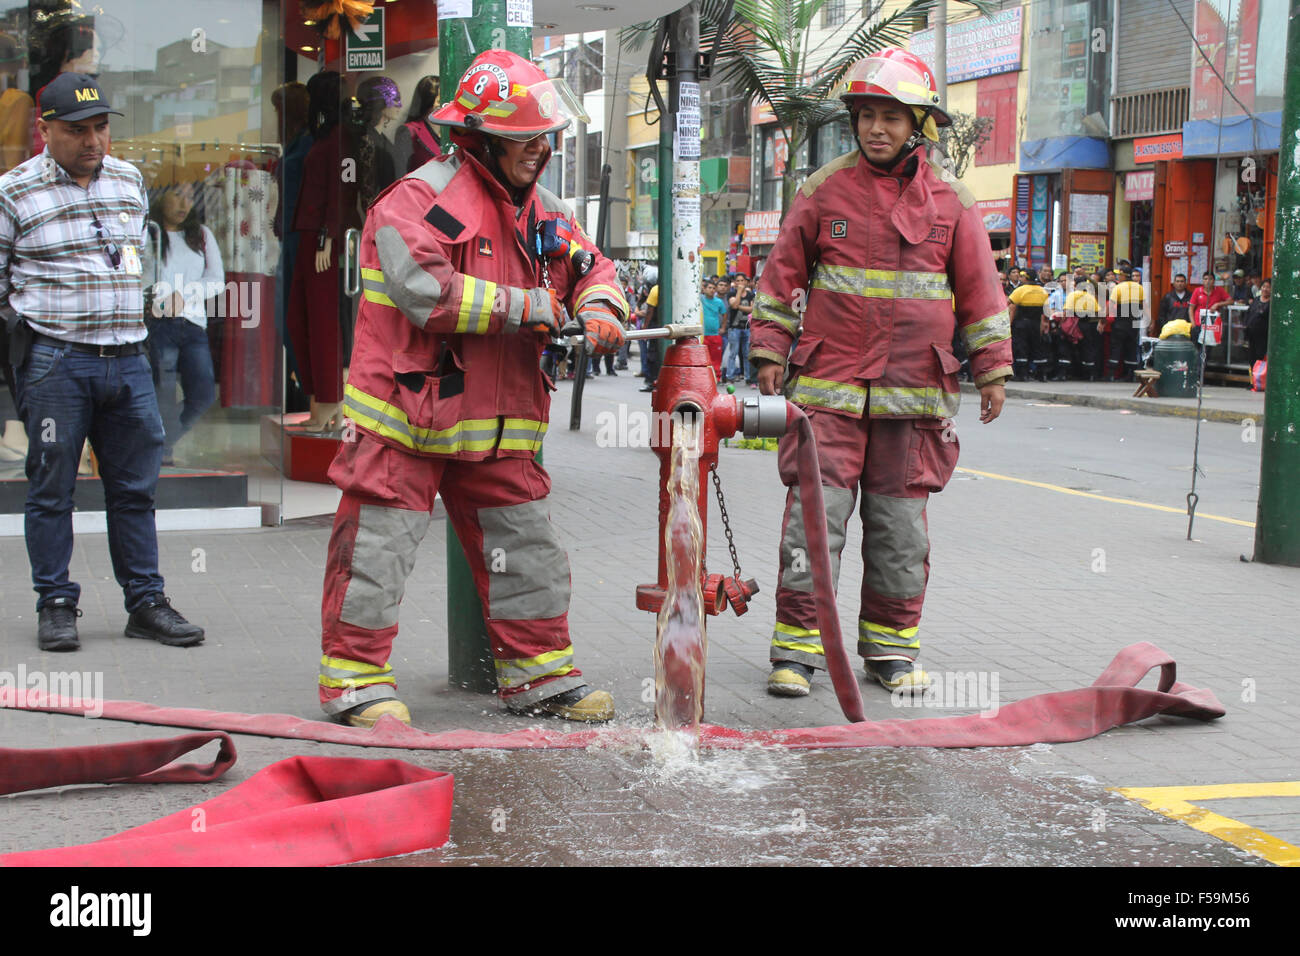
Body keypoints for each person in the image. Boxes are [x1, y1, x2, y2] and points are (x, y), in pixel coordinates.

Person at [317, 50, 629, 728]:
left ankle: (541, 679)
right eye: (525, 138)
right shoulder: (414, 202)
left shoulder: (545, 210)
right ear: (481, 138)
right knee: (376, 552)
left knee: (527, 555)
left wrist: (602, 305)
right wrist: (531, 307)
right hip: (406, 419)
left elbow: (591, 265)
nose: (540, 150)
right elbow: (428, 292)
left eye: (544, 137)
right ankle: (356, 684)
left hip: (499, 426)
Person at [748, 48, 1011, 697]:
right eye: (866, 116)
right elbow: (779, 279)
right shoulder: (822, 191)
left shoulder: (953, 203)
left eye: (891, 117)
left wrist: (994, 369)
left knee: (898, 533)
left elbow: (981, 292)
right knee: (814, 520)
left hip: (914, 400)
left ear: (918, 123)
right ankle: (797, 653)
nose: (876, 129)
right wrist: (767, 352)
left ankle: (890, 652)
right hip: (828, 397)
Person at [0, 73, 204, 652]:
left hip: (129, 359)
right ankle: (56, 605)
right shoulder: (13, 192)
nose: (92, 141)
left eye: (100, 128)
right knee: (51, 490)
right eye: (76, 130)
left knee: (136, 490)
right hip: (56, 362)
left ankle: (146, 603)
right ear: (45, 131)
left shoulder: (129, 180)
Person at [145, 182, 223, 465]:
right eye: (178, 195)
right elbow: (140, 275)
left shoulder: (201, 235)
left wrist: (185, 293)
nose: (184, 204)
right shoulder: (149, 233)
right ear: (160, 195)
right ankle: (160, 453)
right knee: (161, 394)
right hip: (158, 324)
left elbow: (216, 280)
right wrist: (157, 300)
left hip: (192, 324)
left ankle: (159, 443)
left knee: (202, 393)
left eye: (190, 197)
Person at [393, 75, 443, 174]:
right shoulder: (409, 132)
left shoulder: (451, 130)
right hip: (420, 187)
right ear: (431, 100)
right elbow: (400, 174)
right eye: (439, 98)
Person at [1008, 271, 1048, 381]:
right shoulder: (1043, 291)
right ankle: (1041, 375)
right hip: (1036, 323)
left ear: (1026, 278)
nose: (1019, 278)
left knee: (1021, 347)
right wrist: (1045, 323)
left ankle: (1022, 374)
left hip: (1022, 323)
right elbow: (1046, 310)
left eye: (1021, 276)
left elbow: (1009, 303)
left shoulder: (1020, 290)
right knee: (1038, 348)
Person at [1107, 267, 1145, 381]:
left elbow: (1111, 306)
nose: (1118, 276)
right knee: (1131, 348)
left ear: (1124, 275)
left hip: (1120, 323)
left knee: (1116, 347)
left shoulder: (1118, 288)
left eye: (1120, 274)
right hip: (1134, 323)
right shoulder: (1139, 288)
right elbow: (1143, 305)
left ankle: (1111, 375)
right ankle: (1131, 375)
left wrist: (1104, 319)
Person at [726, 274, 755, 385]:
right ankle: (730, 377)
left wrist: (738, 306)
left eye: (742, 280)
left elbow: (751, 309)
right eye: (738, 281)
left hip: (747, 328)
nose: (740, 283)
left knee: (747, 353)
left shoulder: (750, 295)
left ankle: (748, 377)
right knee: (733, 353)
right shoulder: (731, 294)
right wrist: (738, 292)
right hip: (734, 329)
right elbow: (733, 305)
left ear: (746, 282)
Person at [1189, 271, 1230, 344]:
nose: (1208, 281)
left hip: (1212, 325)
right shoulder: (1197, 291)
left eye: (1210, 279)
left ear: (1214, 281)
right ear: (1203, 280)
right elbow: (1191, 308)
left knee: (1208, 348)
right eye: (1205, 279)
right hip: (1198, 324)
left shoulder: (1219, 290)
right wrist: (1193, 323)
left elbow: (1230, 301)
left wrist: (1218, 304)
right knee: (1196, 347)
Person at [700, 276, 726, 377]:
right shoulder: (700, 299)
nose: (711, 290)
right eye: (709, 288)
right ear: (704, 289)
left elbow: (724, 314)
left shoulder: (719, 302)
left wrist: (723, 327)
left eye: (713, 288)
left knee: (716, 358)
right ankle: (704, 377)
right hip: (703, 335)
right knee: (703, 358)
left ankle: (716, 377)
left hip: (715, 334)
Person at [1155, 272, 1192, 337]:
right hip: (1170, 331)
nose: (1179, 284)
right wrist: (1166, 327)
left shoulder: (1191, 297)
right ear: (1174, 283)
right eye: (1177, 281)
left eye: (1182, 281)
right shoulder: (1168, 297)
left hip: (1186, 331)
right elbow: (1161, 315)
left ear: (1185, 283)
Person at [1244, 278, 1271, 366]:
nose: (1265, 289)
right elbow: (1248, 313)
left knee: (1261, 359)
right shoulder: (1256, 300)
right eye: (1263, 286)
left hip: (1263, 338)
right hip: (1251, 336)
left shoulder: (1272, 303)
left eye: (1268, 287)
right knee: (1252, 360)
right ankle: (1253, 379)